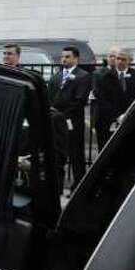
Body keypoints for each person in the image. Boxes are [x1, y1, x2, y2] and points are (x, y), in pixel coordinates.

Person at [47, 45, 91, 192]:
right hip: (56, 122)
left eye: (67, 57)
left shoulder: (83, 76)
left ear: (76, 59)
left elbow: (80, 100)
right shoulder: (56, 77)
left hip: (72, 121)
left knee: (76, 154)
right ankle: (57, 185)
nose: (64, 59)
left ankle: (78, 185)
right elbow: (50, 97)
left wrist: (62, 115)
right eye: (62, 57)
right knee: (57, 152)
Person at [92, 46, 135, 148]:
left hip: (129, 119)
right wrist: (117, 116)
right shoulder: (105, 76)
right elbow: (102, 99)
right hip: (108, 121)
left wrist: (128, 114)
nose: (120, 61)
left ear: (130, 61)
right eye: (118, 58)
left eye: (123, 59)